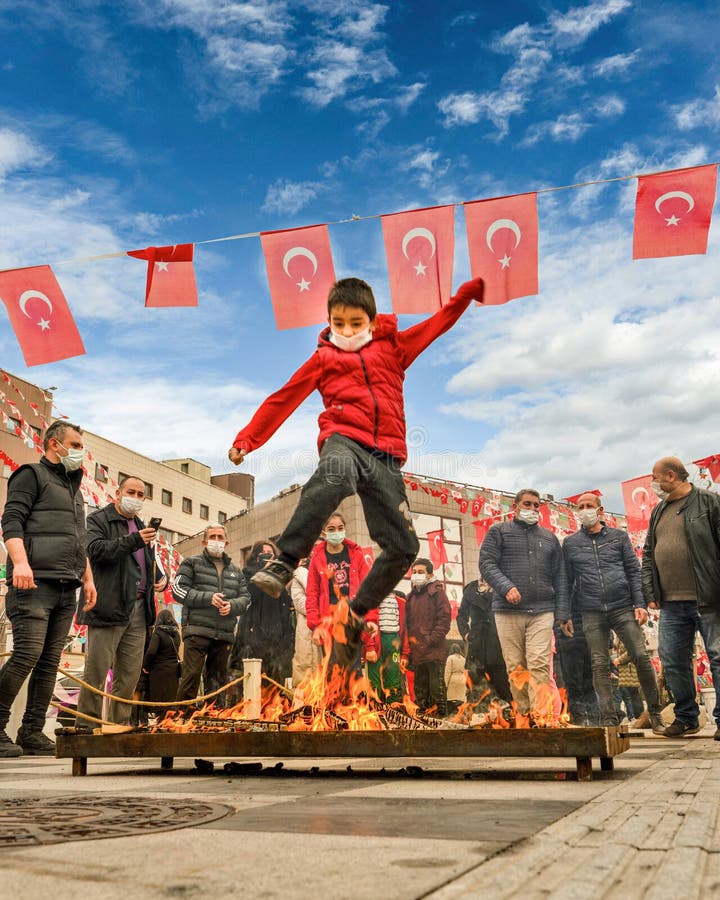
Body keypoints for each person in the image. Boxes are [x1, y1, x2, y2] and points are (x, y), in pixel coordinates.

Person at [227, 275, 484, 665]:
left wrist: (464, 297)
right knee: (334, 476)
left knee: (404, 547)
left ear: (372, 320)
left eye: (355, 324)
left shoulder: (394, 347)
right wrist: (248, 438)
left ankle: (353, 614)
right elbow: (284, 397)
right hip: (343, 440)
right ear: (329, 320)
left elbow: (438, 324)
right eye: (338, 323)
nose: (346, 332)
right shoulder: (323, 358)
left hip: (385, 457)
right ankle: (284, 562)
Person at [0, 420, 96, 757]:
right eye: (75, 444)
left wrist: (88, 578)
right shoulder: (31, 475)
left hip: (65, 586)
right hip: (33, 582)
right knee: (28, 654)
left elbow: (79, 540)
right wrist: (21, 563)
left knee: (49, 661)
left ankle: (32, 732)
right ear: (54, 444)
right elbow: (11, 519)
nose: (80, 451)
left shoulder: (75, 491)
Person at [562, 492, 664, 733]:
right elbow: (566, 581)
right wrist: (564, 614)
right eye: (580, 506)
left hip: (622, 606)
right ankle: (609, 718)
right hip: (590, 610)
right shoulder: (571, 543)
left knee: (640, 655)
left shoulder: (619, 537)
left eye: (589, 506)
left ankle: (656, 714)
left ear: (600, 510)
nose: (585, 510)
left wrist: (640, 603)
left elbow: (632, 570)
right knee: (599, 664)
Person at [77, 476, 167, 728]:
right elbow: (96, 551)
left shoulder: (140, 525)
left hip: (139, 609)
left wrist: (162, 578)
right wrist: (135, 539)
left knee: (128, 675)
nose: (136, 498)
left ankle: (118, 726)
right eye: (131, 492)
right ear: (117, 493)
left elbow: (144, 564)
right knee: (96, 670)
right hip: (108, 604)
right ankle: (87, 726)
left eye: (141, 494)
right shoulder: (98, 519)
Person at [641, 456, 720, 738]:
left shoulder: (709, 503)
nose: (652, 483)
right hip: (671, 602)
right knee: (672, 659)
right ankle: (686, 716)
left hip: (708, 597)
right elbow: (649, 553)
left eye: (655, 477)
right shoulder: (659, 510)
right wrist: (650, 591)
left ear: (671, 476)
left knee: (717, 655)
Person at [479, 488, 570, 724]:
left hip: (542, 610)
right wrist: (505, 587)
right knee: (516, 668)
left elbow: (560, 577)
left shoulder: (549, 538)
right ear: (515, 507)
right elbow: (486, 563)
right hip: (507, 611)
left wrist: (562, 614)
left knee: (539, 664)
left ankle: (542, 718)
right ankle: (524, 715)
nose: (532, 509)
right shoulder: (498, 531)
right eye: (527, 504)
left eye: (536, 505)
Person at [172, 523, 250, 704]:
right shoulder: (191, 563)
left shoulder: (236, 572)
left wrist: (232, 605)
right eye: (212, 537)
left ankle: (214, 718)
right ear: (204, 541)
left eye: (220, 537)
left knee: (217, 682)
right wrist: (208, 598)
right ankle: (182, 716)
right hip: (197, 631)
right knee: (191, 677)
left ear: (227, 542)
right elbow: (178, 590)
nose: (216, 541)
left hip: (224, 633)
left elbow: (246, 599)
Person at [306, 513, 373, 672]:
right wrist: (315, 626)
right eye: (331, 529)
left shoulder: (357, 555)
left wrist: (370, 619)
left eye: (340, 528)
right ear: (323, 533)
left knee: (353, 673)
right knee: (332, 673)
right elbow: (312, 594)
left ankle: (353, 698)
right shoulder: (316, 559)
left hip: (352, 623)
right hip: (328, 625)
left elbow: (369, 589)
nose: (337, 532)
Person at [230, 540, 294, 684]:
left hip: (276, 636)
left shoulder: (279, 578)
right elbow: (246, 596)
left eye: (270, 554)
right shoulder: (247, 574)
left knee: (274, 682)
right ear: (256, 556)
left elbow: (285, 606)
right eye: (263, 553)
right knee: (252, 680)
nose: (267, 556)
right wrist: (263, 574)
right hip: (253, 635)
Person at [401, 558, 451, 717]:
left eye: (420, 572)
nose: (416, 575)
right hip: (417, 655)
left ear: (430, 575)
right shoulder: (410, 597)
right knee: (420, 695)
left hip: (433, 653)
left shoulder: (437, 593)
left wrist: (429, 640)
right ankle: (422, 723)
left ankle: (441, 724)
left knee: (436, 693)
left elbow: (444, 621)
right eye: (414, 572)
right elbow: (408, 626)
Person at [457, 578, 511, 704]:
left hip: (498, 646)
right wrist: (466, 634)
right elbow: (461, 616)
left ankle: (505, 716)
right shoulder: (471, 589)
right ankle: (477, 716)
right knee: (475, 687)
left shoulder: (504, 586)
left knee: (502, 685)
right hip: (476, 646)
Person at [365, 589, 405, 703]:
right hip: (377, 640)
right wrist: (370, 646)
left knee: (393, 678)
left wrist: (405, 653)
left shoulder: (401, 602)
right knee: (374, 679)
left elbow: (405, 629)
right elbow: (365, 622)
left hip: (394, 642)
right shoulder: (371, 599)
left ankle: (392, 708)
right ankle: (375, 710)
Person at [141, 607, 181, 717]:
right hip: (173, 672)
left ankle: (160, 723)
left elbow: (151, 652)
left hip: (159, 671)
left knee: (159, 701)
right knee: (170, 700)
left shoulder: (158, 633)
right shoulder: (176, 634)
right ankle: (168, 723)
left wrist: (146, 666)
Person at [290, 559, 319, 686]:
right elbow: (300, 603)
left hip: (328, 629)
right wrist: (322, 606)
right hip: (306, 631)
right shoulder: (299, 577)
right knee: (304, 668)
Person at [444, 643, 467, 715]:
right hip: (462, 679)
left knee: (451, 699)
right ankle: (459, 716)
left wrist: (445, 684)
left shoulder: (450, 658)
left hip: (453, 679)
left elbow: (447, 672)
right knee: (460, 700)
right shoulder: (464, 659)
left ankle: (450, 716)